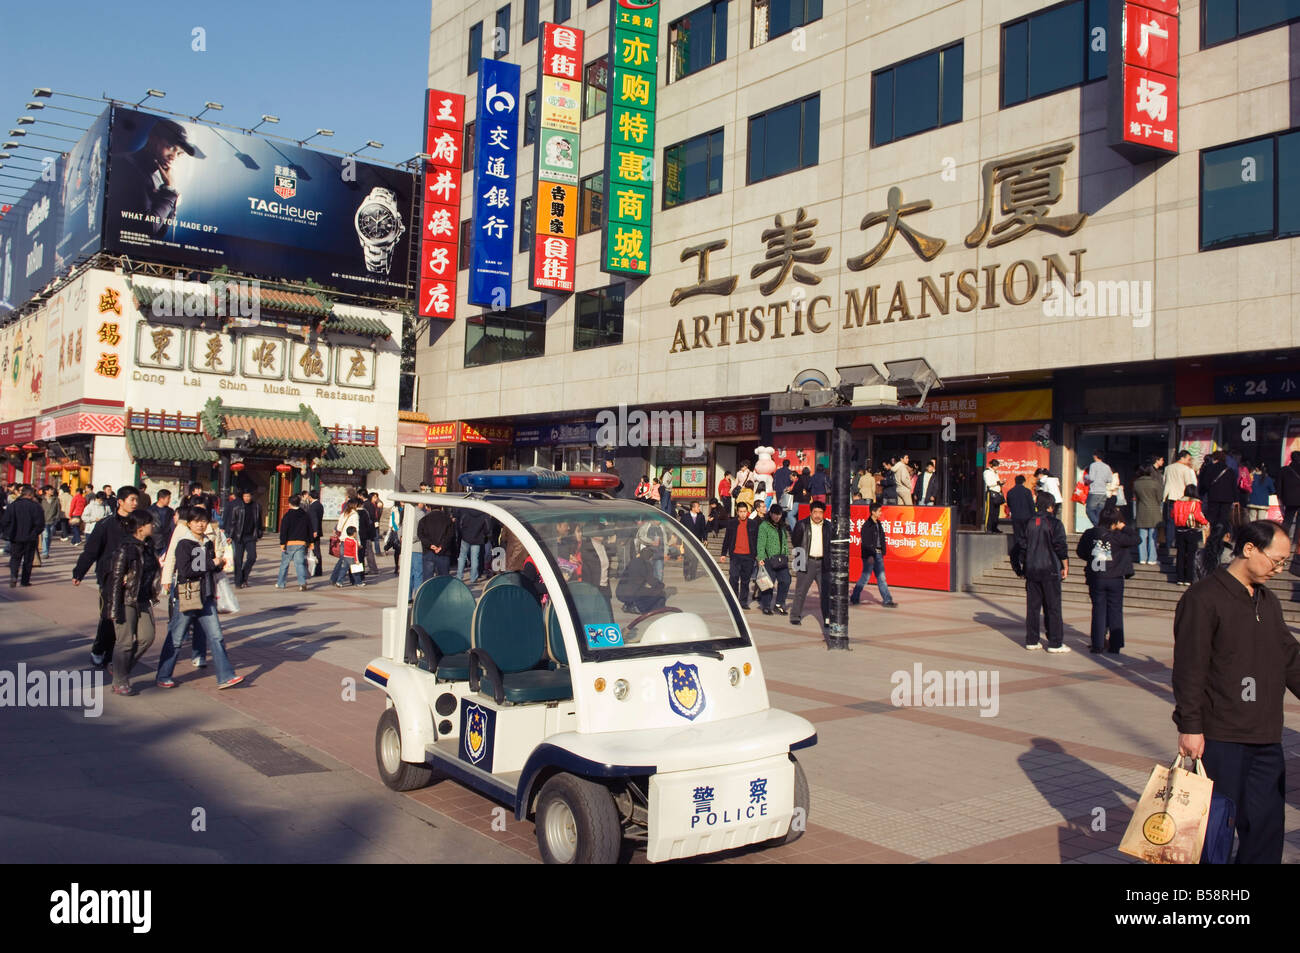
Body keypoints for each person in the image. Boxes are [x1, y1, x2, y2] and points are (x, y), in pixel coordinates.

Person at [1173, 520, 1300, 864]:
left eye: (1284, 563)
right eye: (1276, 560)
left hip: (1266, 736)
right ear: (1249, 550)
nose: (1279, 569)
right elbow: (1189, 668)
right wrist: (1190, 726)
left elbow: (1289, 656)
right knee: (1213, 830)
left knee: (1266, 828)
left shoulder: (1267, 600)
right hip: (1220, 737)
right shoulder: (1203, 599)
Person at [155, 507, 243, 690]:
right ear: (189, 523)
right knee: (177, 637)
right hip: (188, 595)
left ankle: (226, 676)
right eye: (196, 521)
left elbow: (207, 568)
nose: (201, 524)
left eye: (204, 521)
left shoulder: (208, 542)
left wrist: (220, 565)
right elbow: (187, 570)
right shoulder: (185, 543)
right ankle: (163, 674)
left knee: (216, 636)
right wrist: (212, 564)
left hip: (207, 596)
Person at [73, 486, 141, 668]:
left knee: (127, 617)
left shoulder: (139, 523)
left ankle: (113, 653)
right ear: (120, 501)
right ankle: (99, 649)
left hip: (133, 577)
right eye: (132, 499)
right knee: (109, 615)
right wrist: (79, 572)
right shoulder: (106, 524)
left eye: (136, 500)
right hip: (109, 576)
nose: (135, 503)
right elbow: (91, 550)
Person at [106, 511, 161, 695]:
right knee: (125, 642)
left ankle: (120, 667)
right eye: (150, 523)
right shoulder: (125, 548)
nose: (152, 526)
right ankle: (120, 681)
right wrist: (113, 608)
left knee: (147, 637)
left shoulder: (148, 546)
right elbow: (115, 579)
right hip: (126, 599)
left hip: (144, 598)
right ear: (140, 527)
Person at [1076, 503, 1138, 654]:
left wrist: (1091, 558)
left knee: (1098, 610)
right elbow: (1136, 539)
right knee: (1115, 610)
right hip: (1115, 577)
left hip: (1097, 576)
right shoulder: (1118, 536)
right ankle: (1115, 644)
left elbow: (1080, 552)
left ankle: (1097, 645)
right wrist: (1124, 527)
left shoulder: (1090, 533)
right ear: (1115, 521)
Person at [1022, 496, 1070, 653]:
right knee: (1053, 607)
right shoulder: (1054, 523)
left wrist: (1022, 566)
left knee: (1033, 608)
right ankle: (1055, 642)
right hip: (1050, 569)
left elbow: (1021, 546)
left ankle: (1032, 640)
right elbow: (1060, 545)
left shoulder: (1029, 522)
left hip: (1032, 569)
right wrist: (1065, 565)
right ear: (1050, 507)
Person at [790, 499, 832, 628]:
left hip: (823, 562)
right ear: (811, 512)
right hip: (806, 560)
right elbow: (795, 541)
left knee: (826, 593)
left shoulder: (828, 526)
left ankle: (827, 618)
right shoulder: (802, 524)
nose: (818, 515)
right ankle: (795, 616)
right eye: (815, 512)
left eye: (820, 512)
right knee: (801, 591)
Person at [850, 505, 897, 608]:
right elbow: (866, 543)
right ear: (873, 512)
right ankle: (854, 597)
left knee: (881, 578)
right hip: (870, 555)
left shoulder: (878, 524)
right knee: (865, 577)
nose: (881, 513)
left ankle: (887, 600)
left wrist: (882, 552)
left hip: (878, 555)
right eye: (879, 511)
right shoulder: (867, 526)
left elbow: (881, 539)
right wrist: (870, 555)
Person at [0, 485, 44, 587]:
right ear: (31, 495)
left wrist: (8, 532)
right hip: (30, 537)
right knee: (28, 560)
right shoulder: (36, 507)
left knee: (15, 558)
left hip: (15, 537)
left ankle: (13, 576)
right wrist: (35, 533)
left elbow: (5, 521)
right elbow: (40, 523)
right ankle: (25, 580)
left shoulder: (13, 506)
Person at [720, 501, 758, 609]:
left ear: (747, 512)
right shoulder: (731, 523)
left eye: (744, 511)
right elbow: (727, 538)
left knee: (745, 580)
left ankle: (743, 602)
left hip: (748, 556)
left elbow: (756, 540)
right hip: (735, 555)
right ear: (737, 512)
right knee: (733, 578)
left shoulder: (753, 524)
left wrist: (757, 554)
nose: (743, 514)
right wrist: (723, 553)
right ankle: (733, 600)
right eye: (740, 512)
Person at [1198, 450, 1237, 554]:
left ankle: (1212, 540)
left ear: (1215, 458)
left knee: (1212, 519)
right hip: (1227, 499)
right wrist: (1235, 499)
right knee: (1223, 519)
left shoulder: (1209, 469)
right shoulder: (1230, 471)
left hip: (1213, 498)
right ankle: (1221, 539)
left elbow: (1204, 484)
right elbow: (1234, 487)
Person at [756, 504, 791, 615]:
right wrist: (760, 557)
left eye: (779, 514)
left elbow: (784, 541)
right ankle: (766, 605)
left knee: (786, 580)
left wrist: (786, 554)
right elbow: (761, 543)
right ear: (770, 514)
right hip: (769, 559)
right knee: (768, 584)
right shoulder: (764, 526)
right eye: (775, 514)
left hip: (781, 559)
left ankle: (779, 604)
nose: (777, 517)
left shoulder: (782, 526)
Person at [1171, 486, 1210, 586]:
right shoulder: (1195, 503)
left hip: (1179, 531)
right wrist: (1206, 522)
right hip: (1191, 531)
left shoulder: (1177, 503)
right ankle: (1188, 578)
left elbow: (1172, 515)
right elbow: (1198, 516)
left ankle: (1179, 578)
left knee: (1180, 554)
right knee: (1191, 555)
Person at [1162, 450, 1198, 556]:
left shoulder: (1168, 468)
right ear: (1183, 457)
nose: (1189, 461)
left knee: (1170, 522)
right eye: (1188, 459)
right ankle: (1178, 543)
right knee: (1181, 523)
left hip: (1169, 497)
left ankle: (1168, 544)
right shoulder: (1186, 470)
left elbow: (1164, 482)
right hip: (1182, 498)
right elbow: (1190, 485)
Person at [275, 493, 313, 591]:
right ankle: (302, 583)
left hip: (289, 543)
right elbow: (310, 529)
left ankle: (281, 583)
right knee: (299, 564)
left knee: (284, 564)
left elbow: (284, 530)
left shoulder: (287, 516)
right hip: (301, 543)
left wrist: (282, 543)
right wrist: (311, 542)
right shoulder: (305, 515)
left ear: (290, 504)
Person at [616, 542, 666, 614]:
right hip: (632, 593)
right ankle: (639, 608)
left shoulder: (632, 561)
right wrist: (661, 585)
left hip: (620, 593)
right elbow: (652, 581)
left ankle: (628, 605)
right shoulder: (646, 564)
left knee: (639, 590)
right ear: (650, 557)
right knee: (659, 593)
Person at [227, 489, 263, 588]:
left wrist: (259, 532)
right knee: (238, 560)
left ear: (251, 496)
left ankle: (244, 576)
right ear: (242, 497)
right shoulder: (237, 508)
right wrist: (230, 536)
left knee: (252, 557)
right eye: (245, 496)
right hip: (238, 537)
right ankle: (238, 582)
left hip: (251, 536)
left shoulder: (256, 507)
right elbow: (232, 523)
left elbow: (259, 521)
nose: (247, 498)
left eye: (248, 496)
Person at [1133, 464, 1164, 565]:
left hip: (1141, 510)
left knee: (1142, 536)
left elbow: (1135, 499)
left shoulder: (1136, 483)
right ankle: (1152, 558)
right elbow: (1159, 498)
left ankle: (1142, 558)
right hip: (1154, 510)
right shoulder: (1155, 483)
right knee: (1152, 537)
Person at [1006, 475, 1036, 576]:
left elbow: (1009, 505)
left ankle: (1020, 557)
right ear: (1023, 482)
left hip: (1016, 518)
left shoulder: (1010, 492)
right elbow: (1031, 505)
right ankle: (1025, 557)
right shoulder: (1027, 492)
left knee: (1018, 538)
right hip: (1027, 518)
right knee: (1027, 538)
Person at [417, 503, 453, 578]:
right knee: (443, 581)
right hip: (443, 553)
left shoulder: (423, 520)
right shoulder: (448, 520)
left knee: (428, 579)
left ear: (429, 508)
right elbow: (450, 536)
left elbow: (420, 535)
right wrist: (441, 547)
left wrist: (430, 545)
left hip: (428, 552)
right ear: (442, 507)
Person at [456, 506, 491, 584]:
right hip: (478, 538)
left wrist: (463, 533)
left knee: (462, 557)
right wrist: (484, 535)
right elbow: (488, 527)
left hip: (465, 537)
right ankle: (473, 578)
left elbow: (460, 524)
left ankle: (459, 576)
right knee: (475, 558)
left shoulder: (465, 511)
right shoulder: (484, 513)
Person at [1083, 451, 1113, 528]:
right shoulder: (1107, 467)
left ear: (1095, 456)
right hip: (1103, 492)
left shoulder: (1093, 465)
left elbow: (1092, 478)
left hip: (1094, 491)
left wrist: (1086, 476)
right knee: (1099, 512)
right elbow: (1110, 480)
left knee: (1089, 510)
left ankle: (1099, 526)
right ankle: (1100, 529)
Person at [1278, 451, 1300, 546]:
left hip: (1289, 500)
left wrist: (1281, 497)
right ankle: (1296, 543)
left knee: (1287, 520)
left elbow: (1278, 485)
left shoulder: (1284, 470)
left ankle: (1283, 540)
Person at [148, 488, 175, 558]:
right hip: (154, 540)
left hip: (166, 541)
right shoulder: (150, 510)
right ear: (161, 499)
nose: (169, 500)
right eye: (168, 498)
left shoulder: (170, 511)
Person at [305, 489, 325, 577]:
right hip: (316, 530)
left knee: (315, 550)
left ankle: (316, 569)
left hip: (313, 531)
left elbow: (314, 519)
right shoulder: (319, 505)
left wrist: (315, 530)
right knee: (316, 550)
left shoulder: (313, 506)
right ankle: (317, 569)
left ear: (311, 497)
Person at [982, 459, 1004, 533]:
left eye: (997, 466)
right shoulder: (987, 472)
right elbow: (989, 483)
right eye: (995, 466)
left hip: (997, 493)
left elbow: (997, 483)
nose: (997, 467)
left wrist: (1001, 483)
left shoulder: (995, 473)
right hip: (991, 493)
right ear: (992, 465)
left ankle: (994, 527)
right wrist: (998, 482)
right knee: (990, 511)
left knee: (996, 512)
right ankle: (988, 528)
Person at [39, 486, 60, 558]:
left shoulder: (56, 500)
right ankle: (45, 552)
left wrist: (56, 518)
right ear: (46, 491)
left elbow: (58, 510)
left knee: (49, 537)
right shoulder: (41, 499)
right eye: (51, 490)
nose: (52, 491)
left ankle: (47, 550)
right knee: (45, 536)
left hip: (52, 521)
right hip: (43, 521)